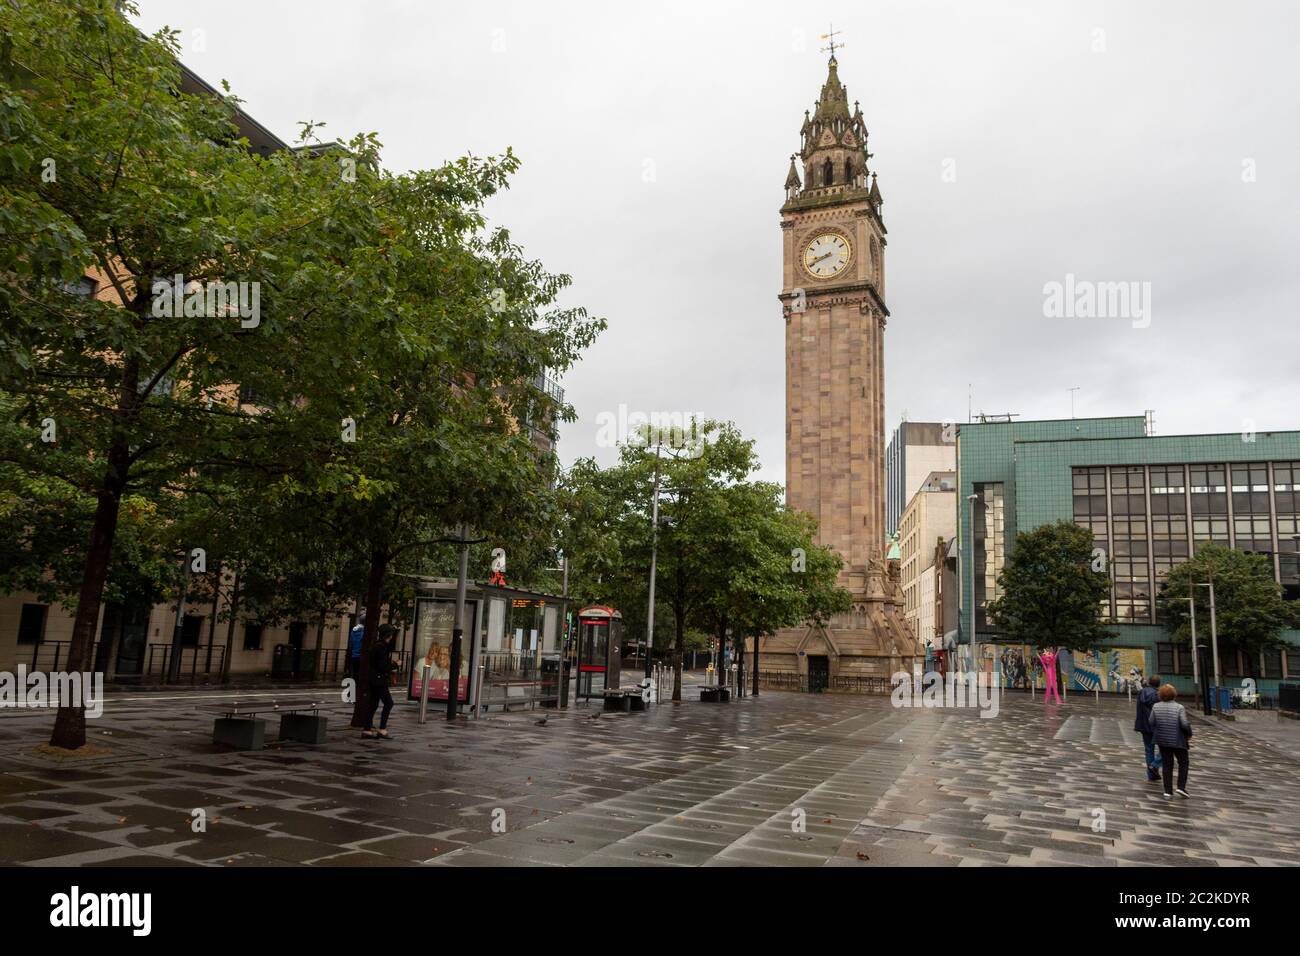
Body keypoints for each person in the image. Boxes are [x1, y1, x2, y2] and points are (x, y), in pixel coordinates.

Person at [1150, 683, 1192, 799]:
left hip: (1163, 740)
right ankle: (1181, 787)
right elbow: (1184, 724)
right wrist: (1189, 734)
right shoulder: (1179, 707)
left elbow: (1151, 722)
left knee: (1167, 765)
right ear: (1174, 694)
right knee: (1183, 762)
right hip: (1178, 740)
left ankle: (1168, 791)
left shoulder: (1156, 706)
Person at [363, 624, 399, 739]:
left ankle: (367, 730)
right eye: (392, 634)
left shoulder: (376, 645)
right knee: (389, 703)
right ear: (389, 635)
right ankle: (382, 729)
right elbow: (382, 666)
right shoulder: (382, 647)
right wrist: (395, 665)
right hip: (379, 680)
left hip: (372, 679)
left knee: (373, 704)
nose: (392, 637)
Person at [1133, 674, 1163, 782]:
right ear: (1158, 684)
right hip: (1156, 725)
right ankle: (1154, 765)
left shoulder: (1142, 692)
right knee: (1165, 748)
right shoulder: (1158, 695)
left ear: (1149, 682)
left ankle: (1151, 774)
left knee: (1149, 749)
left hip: (1143, 725)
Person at [345, 611, 365, 681]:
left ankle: (352, 690)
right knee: (361, 676)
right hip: (361, 656)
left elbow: (351, 643)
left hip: (353, 655)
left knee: (355, 675)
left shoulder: (353, 631)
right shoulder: (364, 631)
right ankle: (355, 691)